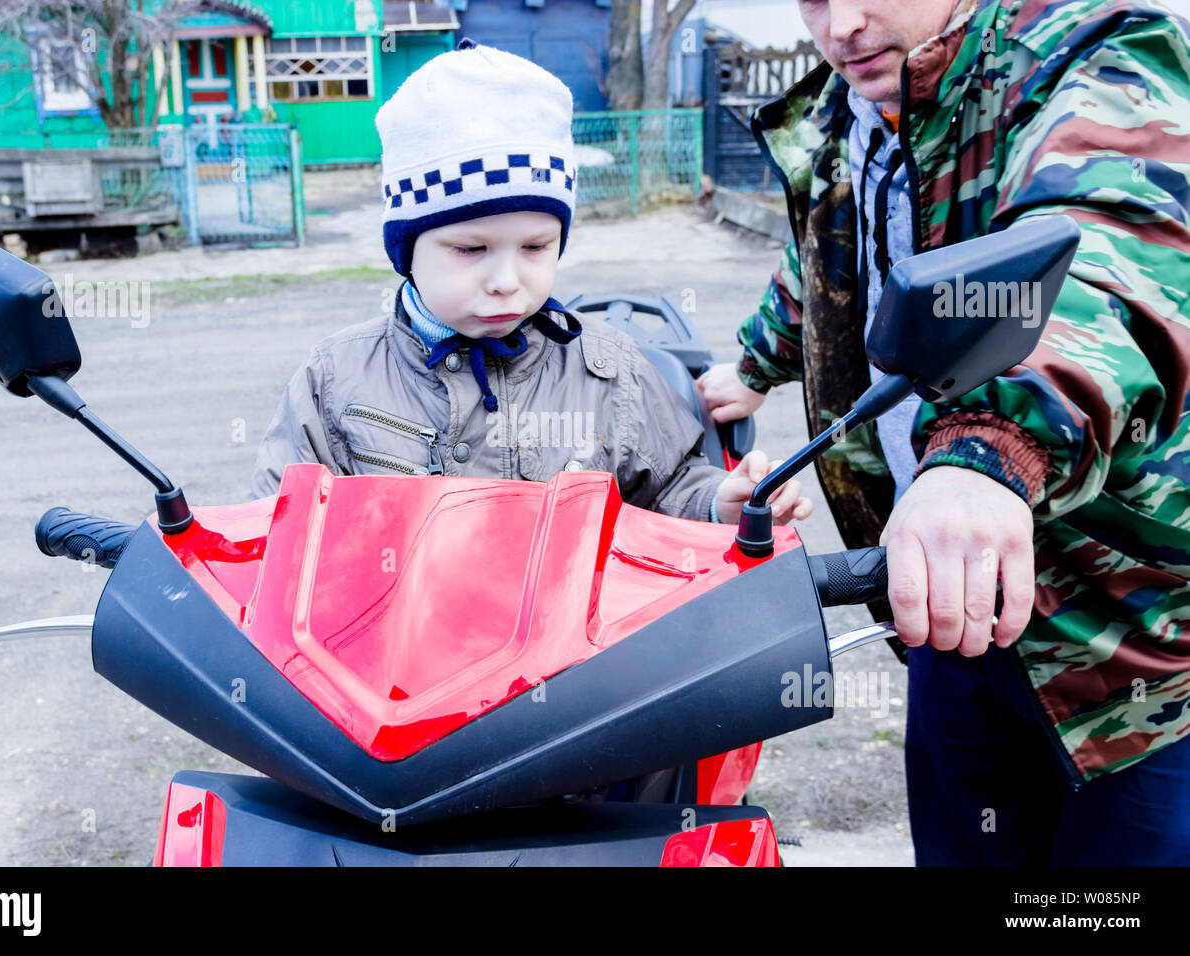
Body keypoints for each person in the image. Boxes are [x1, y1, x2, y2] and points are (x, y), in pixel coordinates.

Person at [697, 0, 1190, 864]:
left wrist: (992, 446)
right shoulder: (838, 117)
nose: (840, 23)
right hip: (944, 598)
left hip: (1128, 632)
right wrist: (752, 367)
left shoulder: (1093, 53)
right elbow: (825, 271)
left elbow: (1105, 252)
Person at [249, 40, 811, 530]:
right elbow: (278, 528)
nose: (506, 282)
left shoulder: (611, 372)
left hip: (586, 655)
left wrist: (720, 504)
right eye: (471, 250)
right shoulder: (334, 383)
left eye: (537, 248)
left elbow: (669, 488)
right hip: (393, 651)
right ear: (406, 248)